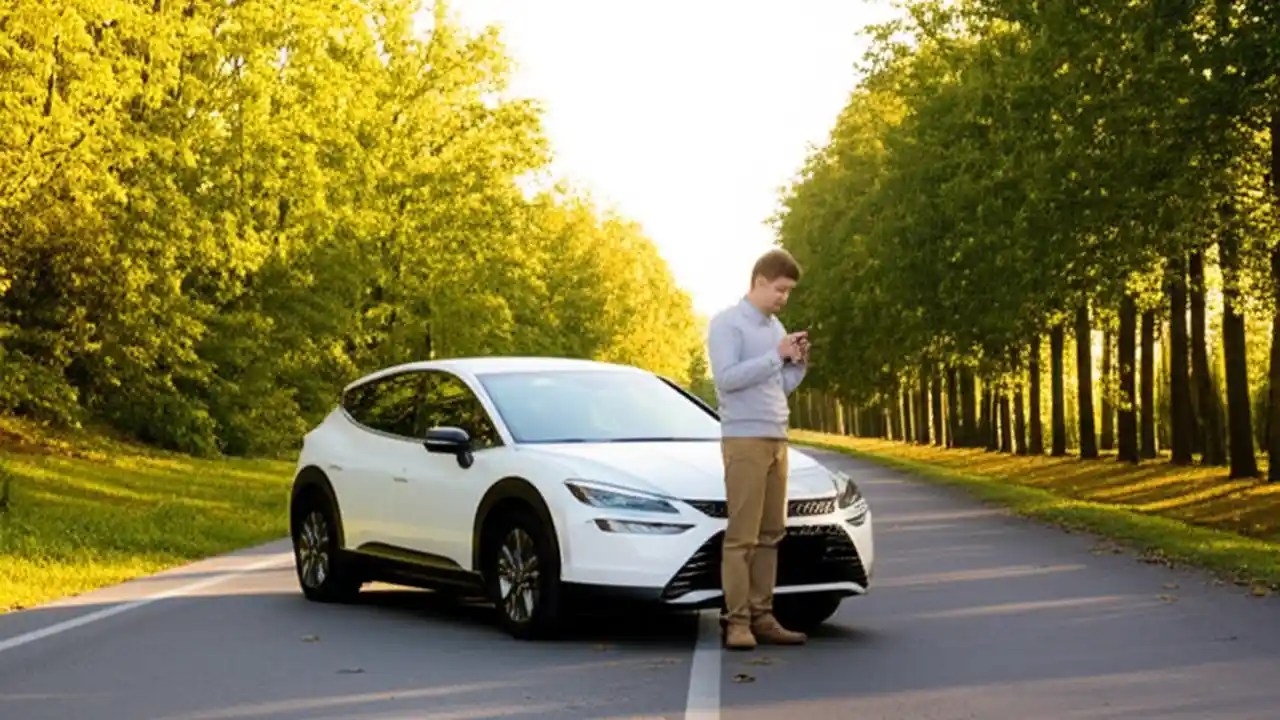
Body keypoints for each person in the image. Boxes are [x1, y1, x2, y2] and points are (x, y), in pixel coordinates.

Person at [705, 247, 810, 650]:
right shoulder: (727, 324)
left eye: (789, 292)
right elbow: (728, 379)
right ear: (760, 281)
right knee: (742, 537)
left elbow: (777, 386)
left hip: (776, 437)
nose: (784, 298)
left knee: (770, 534)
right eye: (780, 289)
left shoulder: (774, 327)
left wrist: (796, 364)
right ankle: (737, 622)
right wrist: (775, 356)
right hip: (744, 438)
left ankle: (763, 616)